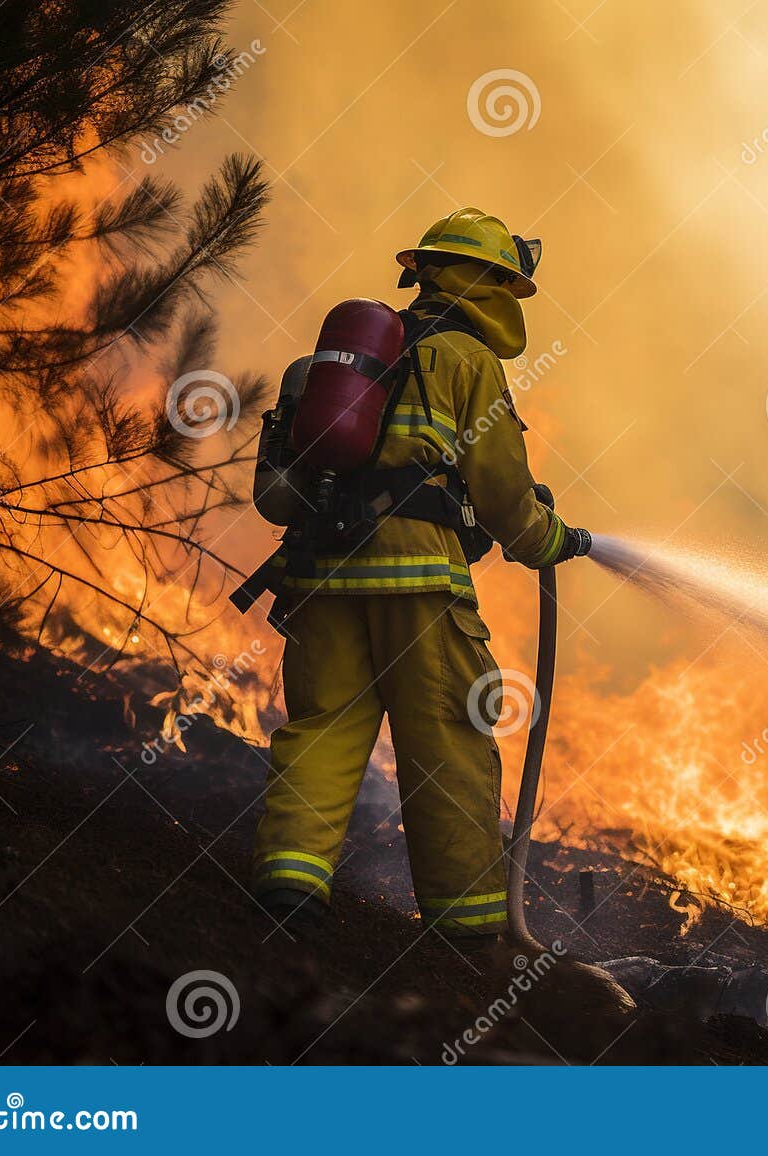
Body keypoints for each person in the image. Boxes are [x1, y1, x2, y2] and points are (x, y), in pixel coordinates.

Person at [250, 207, 590, 951]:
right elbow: (504, 495)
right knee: (452, 743)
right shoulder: (468, 361)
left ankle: (290, 882)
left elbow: (284, 485)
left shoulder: (354, 362)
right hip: (420, 589)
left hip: (320, 581)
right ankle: (464, 929)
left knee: (324, 729)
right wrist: (555, 539)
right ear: (488, 282)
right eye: (507, 282)